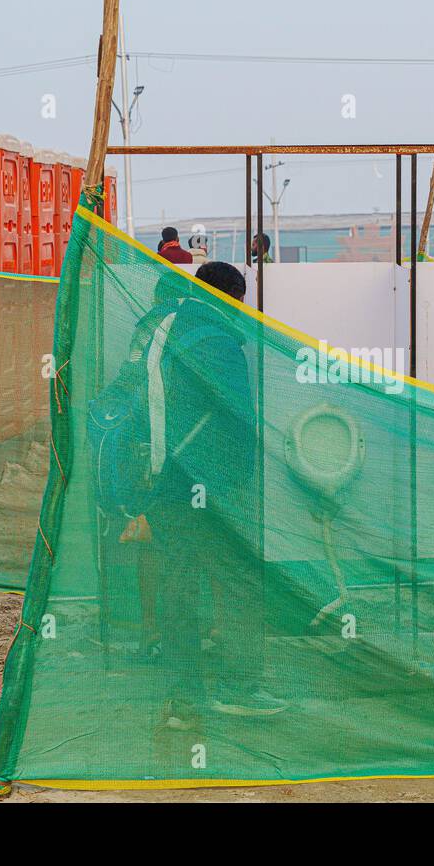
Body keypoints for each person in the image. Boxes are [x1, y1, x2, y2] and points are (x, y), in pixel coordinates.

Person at [122, 260, 283, 726]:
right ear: (232, 297)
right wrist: (240, 479)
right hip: (211, 488)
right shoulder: (216, 340)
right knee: (240, 584)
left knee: (178, 588)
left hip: (162, 483)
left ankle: (184, 699)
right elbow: (236, 416)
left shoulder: (163, 330)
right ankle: (239, 686)